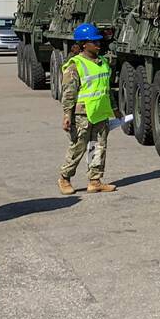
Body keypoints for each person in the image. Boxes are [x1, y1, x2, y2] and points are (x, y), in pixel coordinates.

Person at [57, 23, 117, 195]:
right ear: (84, 44)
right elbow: (68, 93)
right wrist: (67, 115)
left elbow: (107, 89)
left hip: (100, 112)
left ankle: (95, 180)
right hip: (81, 114)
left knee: (98, 147)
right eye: (94, 42)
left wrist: (115, 109)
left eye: (99, 41)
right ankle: (64, 178)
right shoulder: (75, 65)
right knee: (78, 147)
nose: (98, 44)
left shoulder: (103, 63)